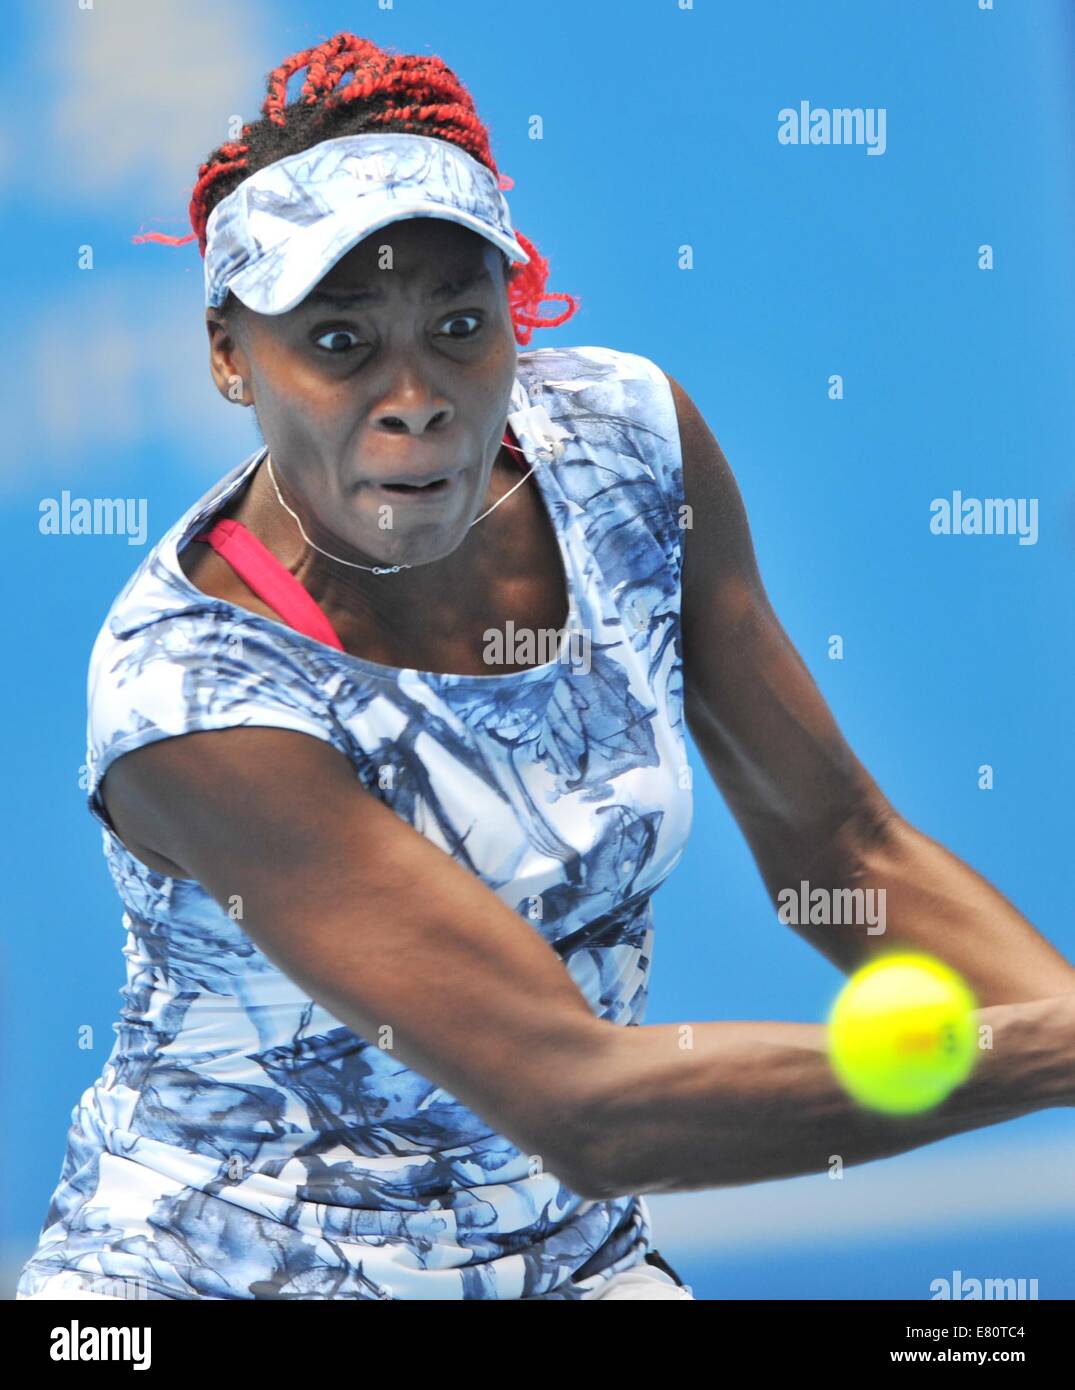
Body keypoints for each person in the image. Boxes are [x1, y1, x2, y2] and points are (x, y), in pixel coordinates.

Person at [17, 31, 1075, 1302]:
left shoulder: (628, 451)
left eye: (459, 326)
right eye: (341, 342)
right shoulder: (190, 693)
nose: (415, 396)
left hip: (565, 1262)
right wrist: (1050, 1053)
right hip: (202, 1280)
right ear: (231, 355)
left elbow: (841, 847)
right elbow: (582, 1103)